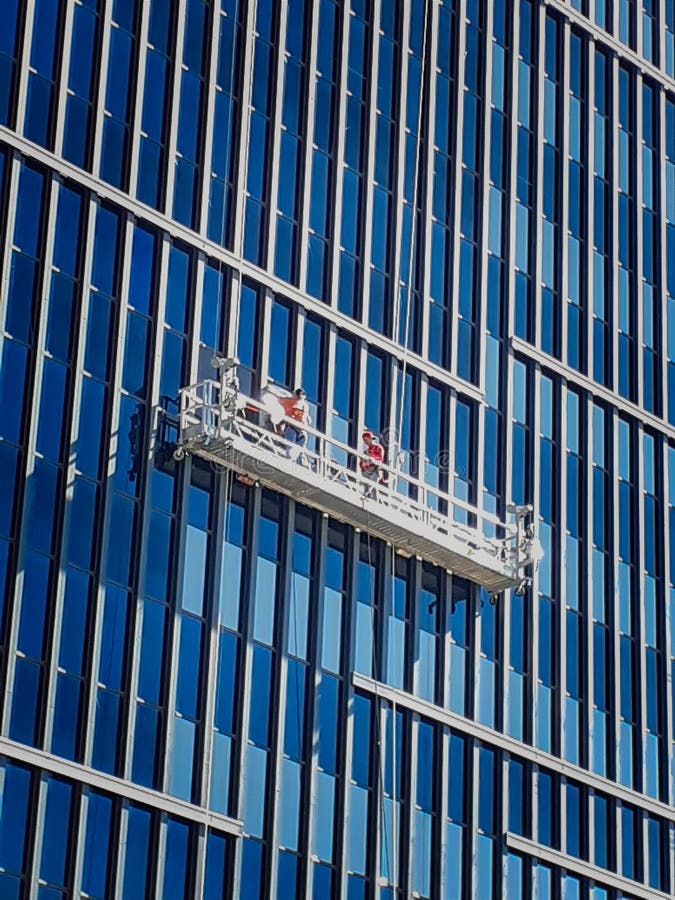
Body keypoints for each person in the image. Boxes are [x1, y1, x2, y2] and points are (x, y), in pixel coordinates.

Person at [360, 430, 385, 497]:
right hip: (366, 471)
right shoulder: (366, 452)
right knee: (366, 486)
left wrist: (372, 459)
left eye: (366, 439)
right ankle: (366, 497)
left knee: (373, 487)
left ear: (371, 439)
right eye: (364, 440)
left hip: (375, 470)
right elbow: (361, 463)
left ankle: (374, 502)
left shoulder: (378, 448)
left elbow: (380, 458)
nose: (365, 442)